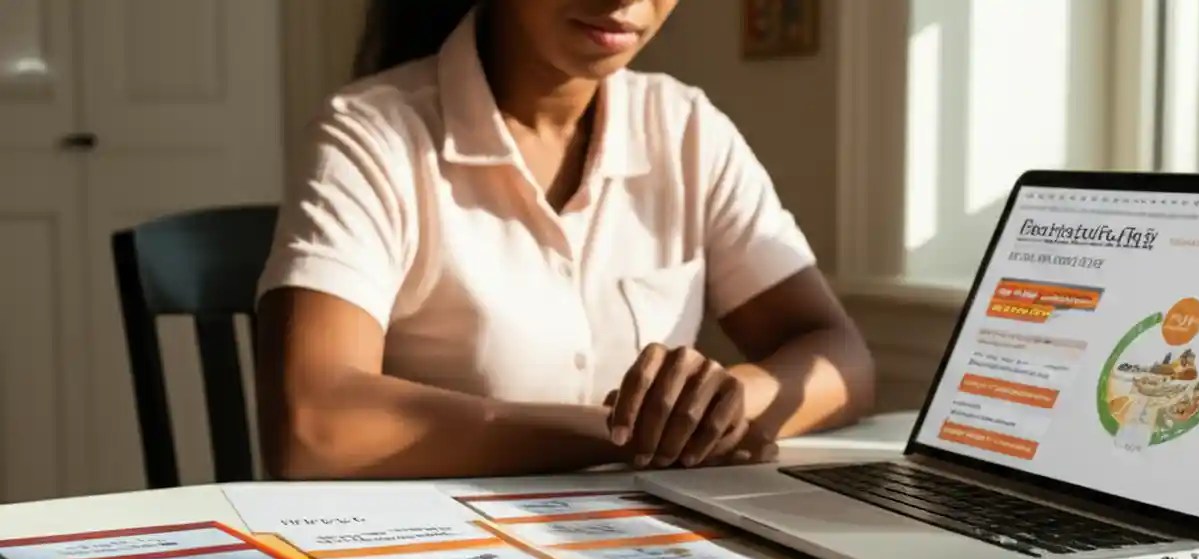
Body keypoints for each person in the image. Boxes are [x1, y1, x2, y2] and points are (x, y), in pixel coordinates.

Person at [255, 0, 875, 480]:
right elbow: (313, 423)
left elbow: (839, 357)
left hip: (643, 555)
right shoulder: (371, 136)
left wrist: (723, 407)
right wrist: (624, 433)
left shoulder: (687, 130)